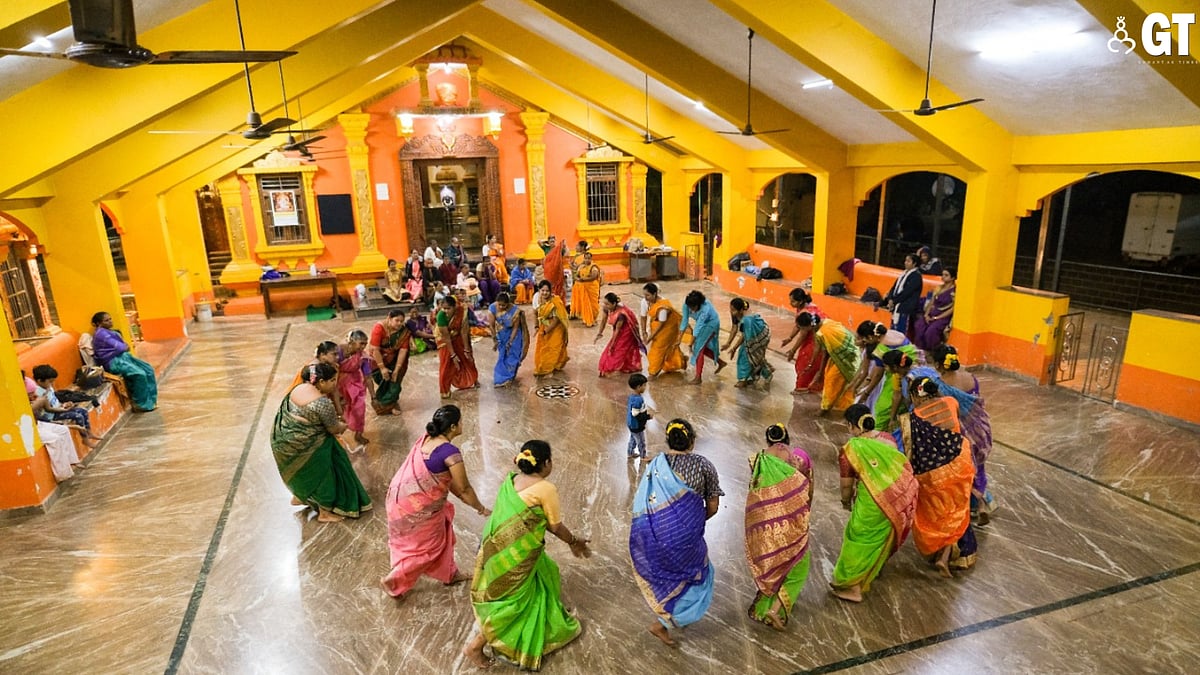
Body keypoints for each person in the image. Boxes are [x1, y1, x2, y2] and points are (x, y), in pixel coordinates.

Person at [464, 440, 591, 670]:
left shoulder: (511, 480)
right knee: (514, 601)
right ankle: (475, 645)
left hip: (497, 549)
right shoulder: (546, 489)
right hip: (516, 557)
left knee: (545, 571)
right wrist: (574, 541)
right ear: (546, 463)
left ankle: (548, 616)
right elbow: (555, 526)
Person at [382, 405, 491, 599]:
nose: (463, 424)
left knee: (437, 535)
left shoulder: (427, 438)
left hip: (399, 499)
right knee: (429, 548)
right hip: (417, 508)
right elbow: (463, 489)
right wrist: (481, 508)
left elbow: (449, 485)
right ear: (453, 427)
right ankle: (396, 578)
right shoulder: (449, 453)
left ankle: (450, 573)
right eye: (461, 421)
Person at [631, 419, 723, 647]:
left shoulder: (655, 466)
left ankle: (669, 615)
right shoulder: (704, 465)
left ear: (668, 440)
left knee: (668, 577)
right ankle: (664, 622)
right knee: (698, 574)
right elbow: (712, 507)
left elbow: (644, 502)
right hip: (687, 537)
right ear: (692, 441)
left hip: (655, 536)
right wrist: (689, 523)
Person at [830, 405, 918, 603]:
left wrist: (845, 502)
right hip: (896, 499)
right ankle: (872, 571)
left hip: (871, 502)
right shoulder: (888, 439)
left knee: (858, 540)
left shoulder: (852, 449)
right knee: (880, 538)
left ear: (853, 426)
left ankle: (852, 586)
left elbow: (846, 486)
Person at [270, 362, 372, 522]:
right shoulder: (322, 403)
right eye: (332, 381)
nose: (334, 384)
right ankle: (325, 512)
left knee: (300, 471)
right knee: (327, 469)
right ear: (321, 382)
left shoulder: (298, 388)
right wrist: (344, 425)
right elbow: (334, 429)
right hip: (305, 444)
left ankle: (301, 495)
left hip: (283, 440)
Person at [903, 378, 977, 576]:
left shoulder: (913, 418)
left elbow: (911, 450)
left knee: (937, 514)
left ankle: (940, 554)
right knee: (958, 510)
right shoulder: (951, 402)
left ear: (915, 396)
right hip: (958, 466)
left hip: (930, 475)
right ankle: (957, 556)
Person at [745, 424, 812, 629]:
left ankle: (763, 609)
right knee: (798, 566)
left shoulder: (756, 459)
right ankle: (775, 611)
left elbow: (756, 488)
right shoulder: (800, 459)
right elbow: (807, 490)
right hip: (792, 522)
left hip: (766, 522)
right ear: (788, 439)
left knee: (773, 564)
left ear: (767, 440)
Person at [923, 344, 996, 522]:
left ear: (939, 365)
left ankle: (970, 505)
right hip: (979, 430)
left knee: (962, 469)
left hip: (959, 433)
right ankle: (980, 502)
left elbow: (942, 411)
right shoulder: (970, 378)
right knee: (977, 467)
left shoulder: (939, 385)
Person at [849, 321, 918, 432]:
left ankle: (877, 436)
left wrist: (866, 393)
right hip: (913, 370)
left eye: (865, 339)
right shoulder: (893, 333)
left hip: (900, 375)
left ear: (871, 337)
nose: (864, 342)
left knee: (882, 408)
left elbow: (877, 374)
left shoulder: (882, 347)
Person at [793, 313, 860, 415]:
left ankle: (825, 409)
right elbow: (820, 348)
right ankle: (841, 404)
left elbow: (826, 353)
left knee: (831, 381)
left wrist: (820, 372)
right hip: (841, 356)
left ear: (809, 326)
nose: (801, 330)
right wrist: (813, 365)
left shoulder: (823, 333)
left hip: (845, 359)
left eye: (801, 328)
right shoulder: (826, 323)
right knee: (835, 380)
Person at [90, 311, 157, 412]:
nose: (110, 322)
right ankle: (140, 404)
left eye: (110, 319)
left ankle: (151, 401)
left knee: (148, 369)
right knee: (140, 374)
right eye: (106, 320)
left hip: (123, 357)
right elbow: (121, 347)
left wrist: (124, 348)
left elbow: (123, 347)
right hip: (113, 362)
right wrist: (124, 347)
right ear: (99, 323)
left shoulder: (109, 332)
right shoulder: (101, 334)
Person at [30, 365, 102, 443]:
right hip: (52, 415)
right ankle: (85, 439)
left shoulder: (48, 387)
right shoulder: (38, 393)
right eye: (50, 381)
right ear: (40, 381)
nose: (52, 384)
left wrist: (64, 404)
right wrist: (61, 409)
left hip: (59, 409)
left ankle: (89, 432)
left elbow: (54, 400)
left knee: (83, 411)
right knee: (78, 416)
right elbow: (48, 409)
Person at [779, 288, 826, 395]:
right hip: (814, 336)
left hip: (815, 339)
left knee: (805, 364)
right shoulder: (804, 307)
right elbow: (798, 325)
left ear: (800, 301)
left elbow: (803, 335)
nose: (790, 303)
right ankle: (813, 386)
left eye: (793, 301)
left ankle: (803, 387)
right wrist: (789, 338)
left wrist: (793, 350)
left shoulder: (806, 312)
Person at [368, 309, 411, 415]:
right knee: (383, 380)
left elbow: (403, 350)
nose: (400, 324)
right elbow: (375, 350)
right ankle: (386, 403)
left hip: (394, 360)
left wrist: (397, 369)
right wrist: (382, 368)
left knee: (394, 382)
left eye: (402, 321)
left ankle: (386, 405)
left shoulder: (403, 332)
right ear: (389, 318)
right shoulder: (379, 328)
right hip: (377, 361)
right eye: (397, 320)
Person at [435, 295, 479, 398]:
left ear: (454, 307)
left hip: (458, 335)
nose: (445, 311)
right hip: (444, 340)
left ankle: (474, 379)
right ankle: (444, 391)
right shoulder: (440, 316)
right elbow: (446, 337)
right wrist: (453, 355)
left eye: (448, 308)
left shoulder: (461, 312)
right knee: (446, 364)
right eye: (443, 308)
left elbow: (464, 332)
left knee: (467, 358)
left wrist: (467, 350)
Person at [679, 290, 727, 384]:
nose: (691, 309)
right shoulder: (686, 305)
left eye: (693, 307)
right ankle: (721, 362)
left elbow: (697, 327)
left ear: (699, 304)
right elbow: (684, 321)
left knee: (698, 348)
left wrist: (691, 343)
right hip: (702, 325)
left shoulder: (705, 309)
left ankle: (698, 377)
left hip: (711, 324)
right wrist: (679, 338)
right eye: (690, 307)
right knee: (702, 348)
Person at [724, 298, 774, 388]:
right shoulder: (738, 314)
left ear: (741, 310)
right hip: (753, 335)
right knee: (754, 356)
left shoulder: (747, 320)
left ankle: (743, 379)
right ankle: (766, 373)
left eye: (733, 310)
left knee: (746, 355)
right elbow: (735, 327)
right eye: (731, 309)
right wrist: (729, 343)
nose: (731, 312)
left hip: (758, 337)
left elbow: (745, 337)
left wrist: (734, 348)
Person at [336, 330, 370, 453]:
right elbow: (332, 371)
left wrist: (374, 396)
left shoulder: (362, 356)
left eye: (365, 344)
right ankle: (335, 435)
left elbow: (367, 376)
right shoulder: (338, 352)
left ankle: (358, 434)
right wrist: (337, 393)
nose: (363, 347)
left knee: (359, 408)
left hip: (355, 385)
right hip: (337, 386)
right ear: (351, 342)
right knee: (339, 410)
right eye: (361, 343)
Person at [641, 283, 685, 377]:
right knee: (666, 350)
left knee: (657, 350)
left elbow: (661, 324)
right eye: (644, 295)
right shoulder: (644, 302)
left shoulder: (663, 307)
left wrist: (650, 337)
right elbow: (643, 317)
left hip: (668, 331)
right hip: (656, 329)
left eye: (648, 295)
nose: (645, 297)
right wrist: (644, 332)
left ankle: (653, 372)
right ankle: (680, 361)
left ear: (655, 294)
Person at [594, 292, 644, 377]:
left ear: (614, 304)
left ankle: (610, 369)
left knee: (618, 349)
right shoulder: (606, 308)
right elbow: (603, 320)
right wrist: (599, 333)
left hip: (627, 331)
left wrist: (613, 344)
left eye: (607, 304)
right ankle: (610, 368)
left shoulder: (621, 314)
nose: (605, 306)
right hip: (618, 329)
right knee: (614, 348)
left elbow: (618, 330)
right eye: (604, 303)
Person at [489, 292, 530, 388]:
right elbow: (491, 325)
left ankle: (510, 377)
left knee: (513, 356)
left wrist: (511, 341)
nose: (501, 307)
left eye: (504, 305)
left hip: (514, 335)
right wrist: (495, 340)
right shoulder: (492, 308)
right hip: (501, 334)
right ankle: (501, 378)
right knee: (502, 357)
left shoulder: (515, 311)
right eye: (499, 304)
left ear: (508, 304)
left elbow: (515, 328)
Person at [912, 267, 956, 351]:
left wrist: (937, 318)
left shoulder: (953, 292)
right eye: (942, 275)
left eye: (946, 275)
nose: (943, 277)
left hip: (943, 317)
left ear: (952, 278)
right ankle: (920, 349)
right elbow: (932, 302)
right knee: (919, 325)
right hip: (932, 313)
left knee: (931, 331)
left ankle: (933, 351)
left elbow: (952, 309)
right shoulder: (939, 288)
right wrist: (926, 314)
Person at [533, 280, 570, 376]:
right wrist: (537, 326)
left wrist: (546, 331)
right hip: (543, 326)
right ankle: (544, 366)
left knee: (553, 348)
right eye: (543, 290)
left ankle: (550, 367)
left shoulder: (555, 302)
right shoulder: (536, 298)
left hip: (556, 328)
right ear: (539, 290)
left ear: (551, 291)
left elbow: (556, 320)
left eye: (547, 291)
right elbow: (535, 313)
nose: (545, 293)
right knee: (543, 347)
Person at [880, 253, 923, 334]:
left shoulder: (916, 277)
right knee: (893, 329)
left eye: (908, 261)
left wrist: (894, 301)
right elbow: (894, 287)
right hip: (896, 305)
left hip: (905, 307)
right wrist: (890, 299)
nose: (905, 263)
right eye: (905, 261)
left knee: (901, 331)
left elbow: (907, 292)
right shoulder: (903, 274)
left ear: (914, 264)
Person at [570, 251, 603, 327]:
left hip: (591, 288)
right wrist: (577, 278)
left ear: (591, 259)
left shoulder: (593, 267)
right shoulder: (581, 266)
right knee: (584, 304)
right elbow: (576, 274)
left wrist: (583, 280)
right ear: (584, 258)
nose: (587, 260)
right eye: (585, 258)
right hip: (583, 288)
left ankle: (593, 320)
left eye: (589, 258)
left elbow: (594, 277)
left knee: (593, 305)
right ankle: (586, 319)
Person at [626, 373, 653, 459]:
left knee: (633, 438)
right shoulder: (638, 399)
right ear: (638, 387)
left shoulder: (633, 396)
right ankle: (643, 456)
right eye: (644, 385)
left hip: (631, 424)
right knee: (641, 441)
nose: (645, 387)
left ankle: (630, 452)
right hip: (636, 425)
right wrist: (648, 417)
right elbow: (635, 414)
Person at [539, 235, 568, 300]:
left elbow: (566, 253)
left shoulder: (558, 249)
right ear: (548, 242)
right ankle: (548, 298)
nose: (552, 243)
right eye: (551, 241)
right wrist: (546, 241)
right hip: (548, 269)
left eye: (553, 241)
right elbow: (539, 242)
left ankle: (558, 298)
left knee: (558, 284)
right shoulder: (546, 248)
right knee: (549, 283)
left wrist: (564, 246)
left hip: (557, 270)